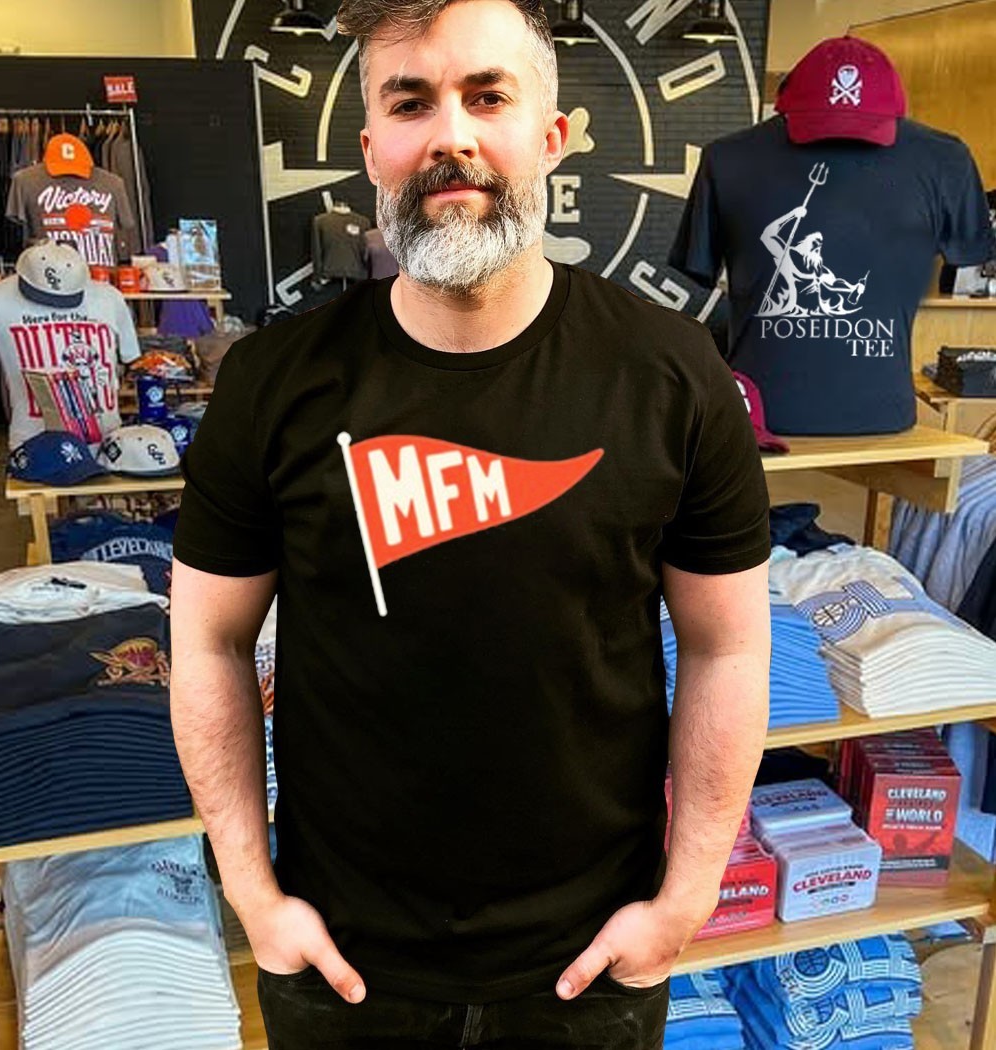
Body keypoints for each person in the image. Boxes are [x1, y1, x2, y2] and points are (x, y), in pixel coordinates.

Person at [169, 1, 772, 1047]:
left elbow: (729, 648)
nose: (451, 135)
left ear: (552, 134)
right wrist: (252, 893)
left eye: (488, 96)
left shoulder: (673, 375)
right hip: (342, 964)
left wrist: (685, 900)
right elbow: (207, 642)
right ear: (373, 151)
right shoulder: (272, 383)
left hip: (589, 967)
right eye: (411, 103)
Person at [758, 204, 868, 317]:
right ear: (801, 242)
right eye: (815, 242)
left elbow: (834, 283)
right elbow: (767, 236)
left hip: (816, 312)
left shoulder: (817, 266)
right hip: (793, 311)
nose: (818, 247)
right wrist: (792, 215)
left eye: (820, 244)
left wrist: (853, 288)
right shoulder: (787, 255)